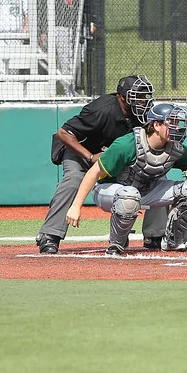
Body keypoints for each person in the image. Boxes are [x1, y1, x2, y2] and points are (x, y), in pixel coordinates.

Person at [65, 102, 187, 256]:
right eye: (171, 123)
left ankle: (174, 241)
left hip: (146, 191)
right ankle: (116, 244)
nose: (178, 127)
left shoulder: (176, 148)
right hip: (110, 191)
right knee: (129, 195)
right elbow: (93, 172)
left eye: (178, 123)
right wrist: (76, 206)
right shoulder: (128, 144)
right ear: (157, 125)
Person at [35, 75, 167, 254]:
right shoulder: (101, 110)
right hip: (82, 152)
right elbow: (63, 133)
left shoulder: (145, 114)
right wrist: (90, 157)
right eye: (138, 96)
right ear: (122, 97)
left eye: (145, 97)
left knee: (154, 172)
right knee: (74, 179)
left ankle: (154, 235)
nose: (143, 101)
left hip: (114, 157)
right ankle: (49, 235)